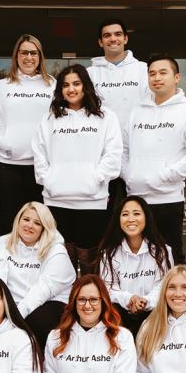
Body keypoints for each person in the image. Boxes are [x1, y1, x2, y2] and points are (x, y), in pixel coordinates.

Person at [32, 64, 122, 274]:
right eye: (65, 85)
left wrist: (96, 178)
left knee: (90, 260)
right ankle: (66, 295)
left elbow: (113, 153)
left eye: (76, 84)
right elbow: (39, 152)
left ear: (86, 86)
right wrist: (48, 180)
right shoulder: (50, 118)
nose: (71, 89)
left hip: (93, 201)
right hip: (56, 200)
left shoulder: (105, 117)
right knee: (62, 259)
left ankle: (90, 294)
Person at [121, 55, 186, 264]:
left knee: (171, 258)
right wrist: (129, 175)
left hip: (168, 200)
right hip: (136, 200)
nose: (156, 78)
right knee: (136, 258)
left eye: (163, 73)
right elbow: (123, 151)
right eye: (152, 73)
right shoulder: (136, 112)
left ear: (177, 77)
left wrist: (165, 176)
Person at [0, 35, 55, 234]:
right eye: (24, 53)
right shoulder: (0, 86)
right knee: (8, 222)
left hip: (42, 166)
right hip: (7, 166)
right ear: (16, 56)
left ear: (40, 56)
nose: (29, 57)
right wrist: (1, 142)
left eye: (33, 53)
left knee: (39, 224)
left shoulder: (53, 85)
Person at [0, 202, 74, 350]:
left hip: (48, 302)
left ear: (45, 227)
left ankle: (39, 361)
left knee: (37, 320)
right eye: (26, 219)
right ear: (18, 220)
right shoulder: (2, 243)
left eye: (37, 223)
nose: (29, 225)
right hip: (13, 303)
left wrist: (15, 316)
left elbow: (43, 290)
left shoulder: (56, 251)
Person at [96, 196, 173, 337]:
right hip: (121, 311)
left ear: (146, 217)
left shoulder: (162, 251)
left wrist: (145, 302)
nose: (131, 219)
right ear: (118, 219)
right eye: (125, 214)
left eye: (137, 213)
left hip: (153, 310)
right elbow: (108, 289)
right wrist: (130, 299)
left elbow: (163, 285)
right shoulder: (109, 253)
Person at [86, 19, 148, 145]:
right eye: (107, 35)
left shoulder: (143, 69)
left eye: (118, 34)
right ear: (100, 42)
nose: (113, 39)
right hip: (102, 143)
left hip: (138, 141)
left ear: (125, 39)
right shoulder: (89, 74)